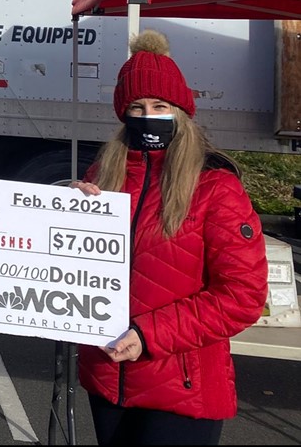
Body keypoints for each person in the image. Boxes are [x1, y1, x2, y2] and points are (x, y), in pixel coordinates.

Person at [70, 29, 268, 446]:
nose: (147, 116)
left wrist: (148, 335)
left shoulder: (215, 187)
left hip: (182, 389)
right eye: (137, 107)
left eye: (160, 105)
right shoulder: (101, 177)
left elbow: (243, 296)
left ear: (181, 111)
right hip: (107, 378)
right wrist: (64, 212)